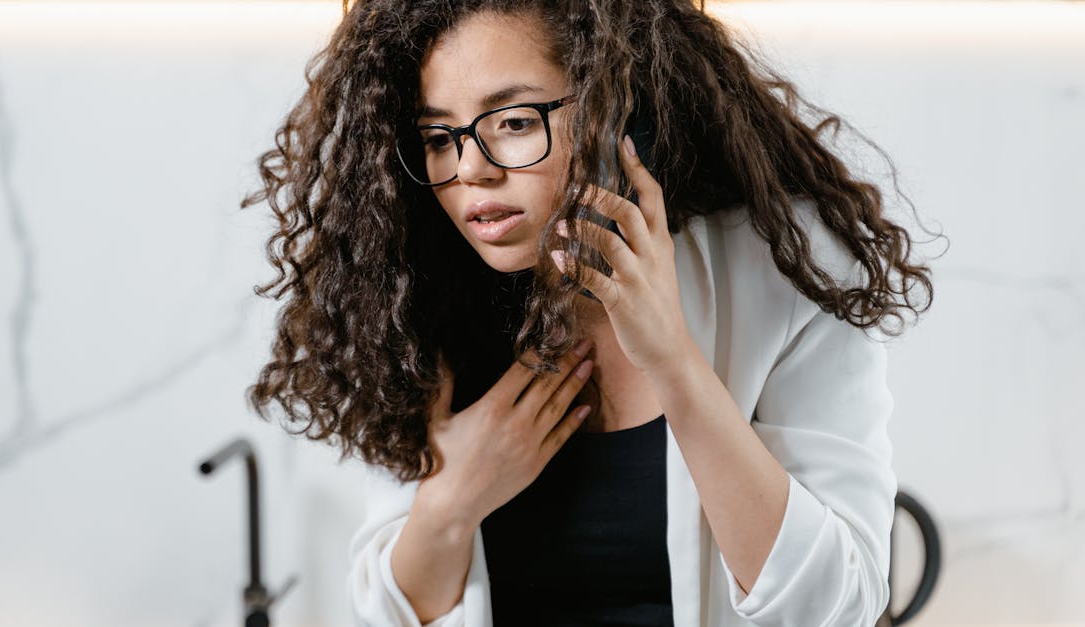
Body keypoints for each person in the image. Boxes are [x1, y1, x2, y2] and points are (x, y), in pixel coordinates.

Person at [240, 1, 937, 625]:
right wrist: (451, 503)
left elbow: (837, 606)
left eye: (513, 122)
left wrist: (674, 363)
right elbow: (388, 613)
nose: (473, 169)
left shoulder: (780, 265)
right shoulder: (417, 294)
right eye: (440, 137)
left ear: (616, 104)